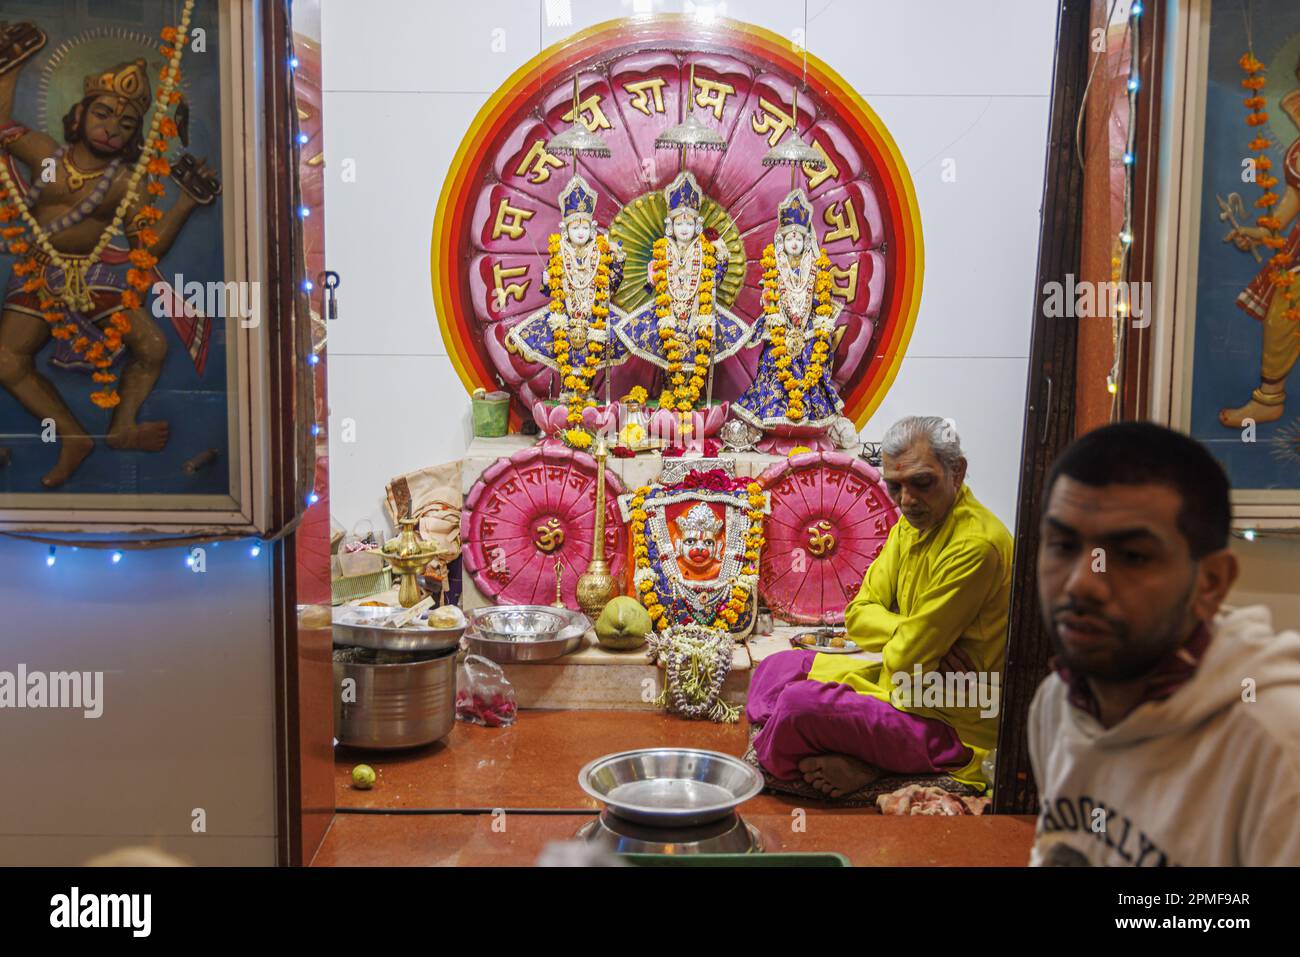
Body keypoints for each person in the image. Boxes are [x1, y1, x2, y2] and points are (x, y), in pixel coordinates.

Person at [1029, 422, 1300, 866]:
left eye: (1132, 556)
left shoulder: (1277, 745)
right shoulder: (1057, 701)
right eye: (1062, 545)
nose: (1082, 585)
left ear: (1211, 583)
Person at [747, 415, 1013, 796]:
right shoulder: (913, 522)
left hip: (948, 717)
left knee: (796, 706)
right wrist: (918, 631)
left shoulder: (975, 545)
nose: (907, 500)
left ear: (957, 472)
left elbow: (905, 659)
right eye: (895, 486)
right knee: (774, 669)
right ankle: (860, 753)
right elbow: (858, 618)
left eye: (922, 483)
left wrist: (911, 641)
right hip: (898, 685)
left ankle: (869, 764)